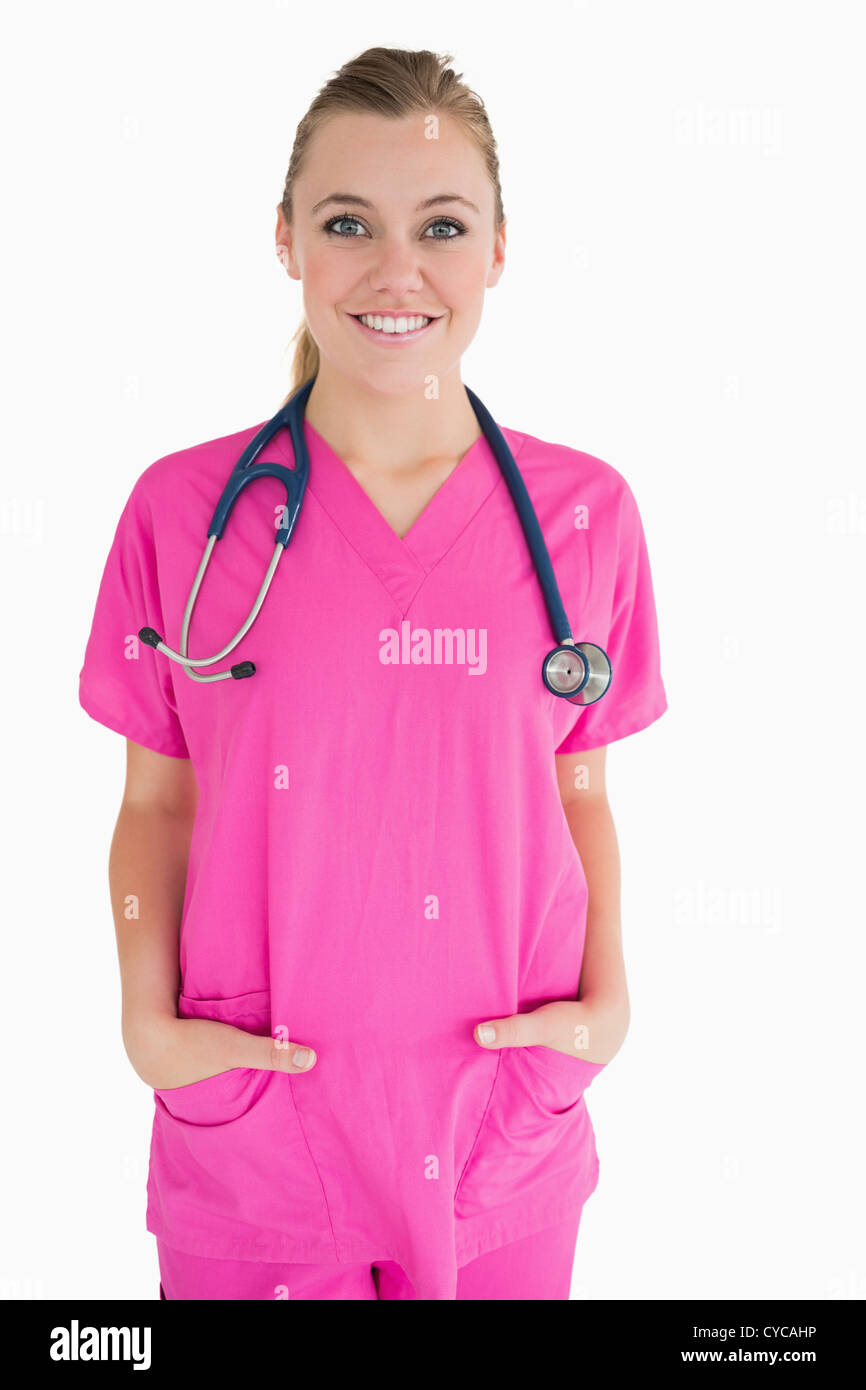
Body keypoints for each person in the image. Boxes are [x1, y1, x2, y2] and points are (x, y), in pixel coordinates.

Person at [78, 45, 668, 1301]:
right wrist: (145, 1022)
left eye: (440, 226)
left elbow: (580, 792)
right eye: (346, 221)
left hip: (501, 1112)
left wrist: (606, 1009)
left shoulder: (583, 516)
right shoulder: (180, 515)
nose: (395, 271)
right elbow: (153, 805)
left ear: (498, 249)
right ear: (285, 241)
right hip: (257, 1123)